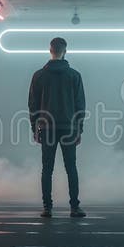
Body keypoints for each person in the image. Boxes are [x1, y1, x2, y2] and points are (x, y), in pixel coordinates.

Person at [28, 37, 86, 218]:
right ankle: (74, 207)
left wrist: (34, 128)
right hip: (69, 127)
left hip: (47, 128)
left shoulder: (39, 75)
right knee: (71, 168)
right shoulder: (74, 75)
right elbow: (80, 105)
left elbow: (33, 105)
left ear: (50, 50)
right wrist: (79, 129)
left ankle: (47, 208)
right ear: (65, 51)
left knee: (47, 168)